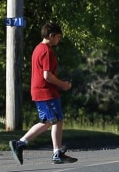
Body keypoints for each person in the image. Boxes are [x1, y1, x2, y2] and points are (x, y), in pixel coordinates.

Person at [9, 22, 77, 165]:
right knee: (57, 120)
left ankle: (21, 144)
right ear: (51, 36)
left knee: (47, 122)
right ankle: (56, 152)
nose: (59, 40)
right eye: (58, 37)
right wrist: (63, 84)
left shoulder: (38, 48)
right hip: (46, 91)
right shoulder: (46, 51)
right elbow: (47, 75)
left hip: (40, 91)